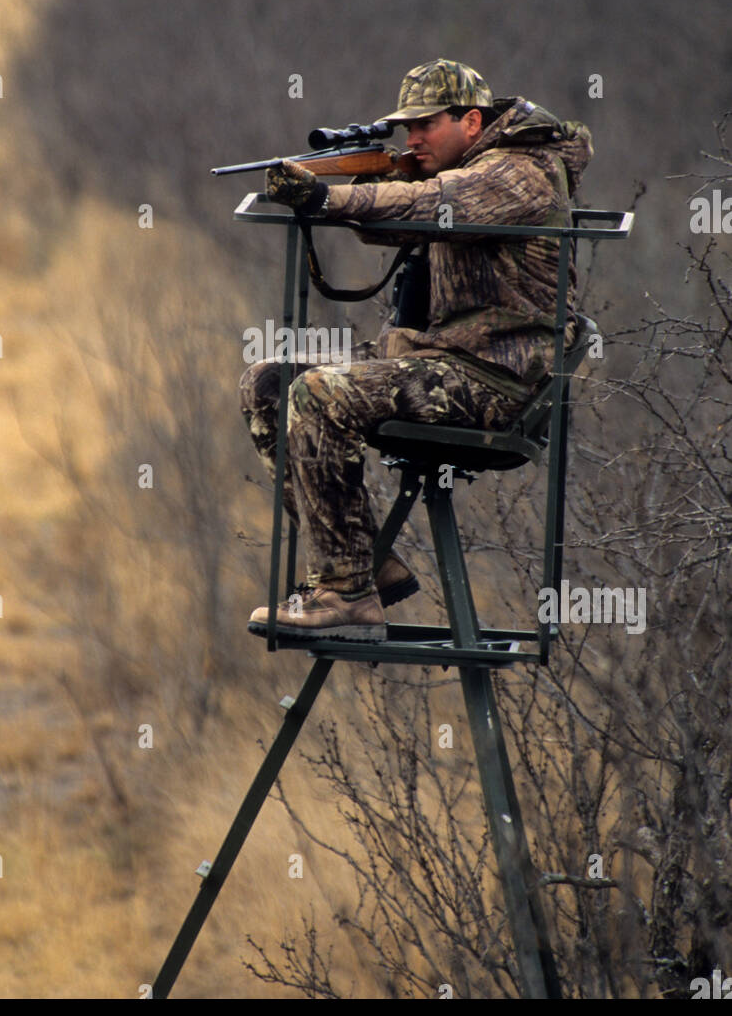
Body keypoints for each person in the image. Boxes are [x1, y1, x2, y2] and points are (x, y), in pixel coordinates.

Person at [239, 58, 592, 641]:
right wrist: (347, 188)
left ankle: (346, 595)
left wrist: (329, 200)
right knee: (269, 383)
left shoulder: (519, 173)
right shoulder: (464, 170)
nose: (413, 139)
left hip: (496, 380)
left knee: (320, 394)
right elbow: (398, 219)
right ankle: (362, 562)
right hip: (442, 362)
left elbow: (432, 204)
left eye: (426, 125)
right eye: (406, 129)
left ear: (472, 122)